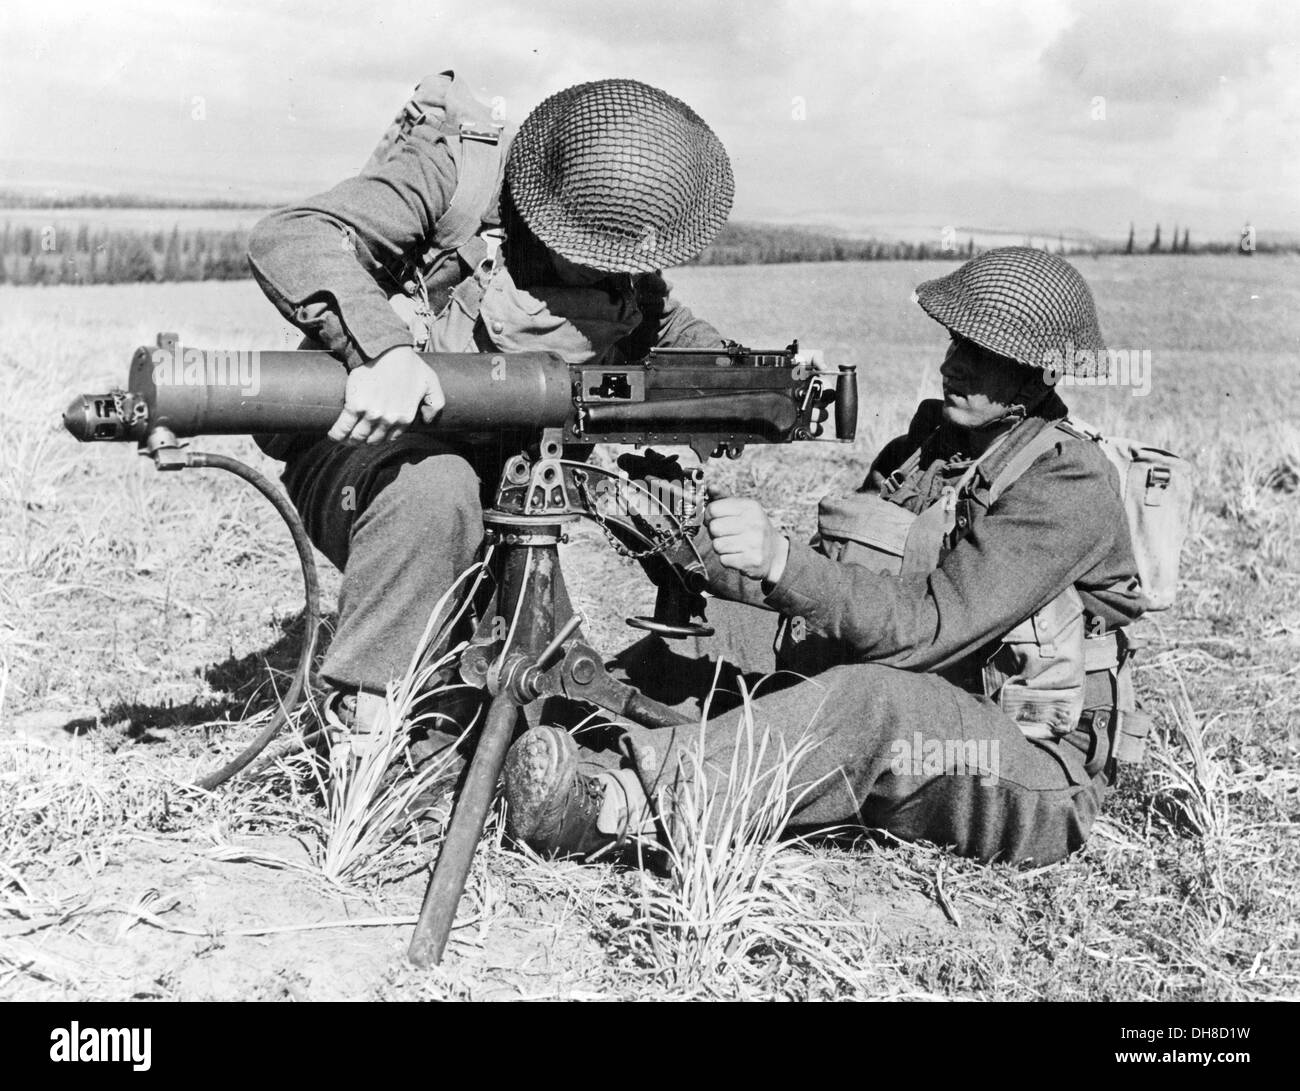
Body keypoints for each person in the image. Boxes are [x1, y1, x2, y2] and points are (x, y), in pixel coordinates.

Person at [503, 246, 1148, 867]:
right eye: (955, 344)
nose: (955, 366)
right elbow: (828, 595)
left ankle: (617, 808)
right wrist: (691, 532)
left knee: (875, 706)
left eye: (983, 358)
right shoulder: (924, 450)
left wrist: (782, 559)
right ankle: (535, 739)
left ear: (1041, 376)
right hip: (915, 686)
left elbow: (926, 631)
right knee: (706, 642)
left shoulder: (1068, 485)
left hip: (1022, 758)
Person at [245, 75, 734, 750]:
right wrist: (384, 352)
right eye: (595, 255)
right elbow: (292, 236)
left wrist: (735, 381)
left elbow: (664, 325)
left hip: (506, 481)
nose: (610, 272)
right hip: (369, 449)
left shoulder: (613, 247)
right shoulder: (453, 177)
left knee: (498, 705)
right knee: (436, 491)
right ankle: (364, 734)